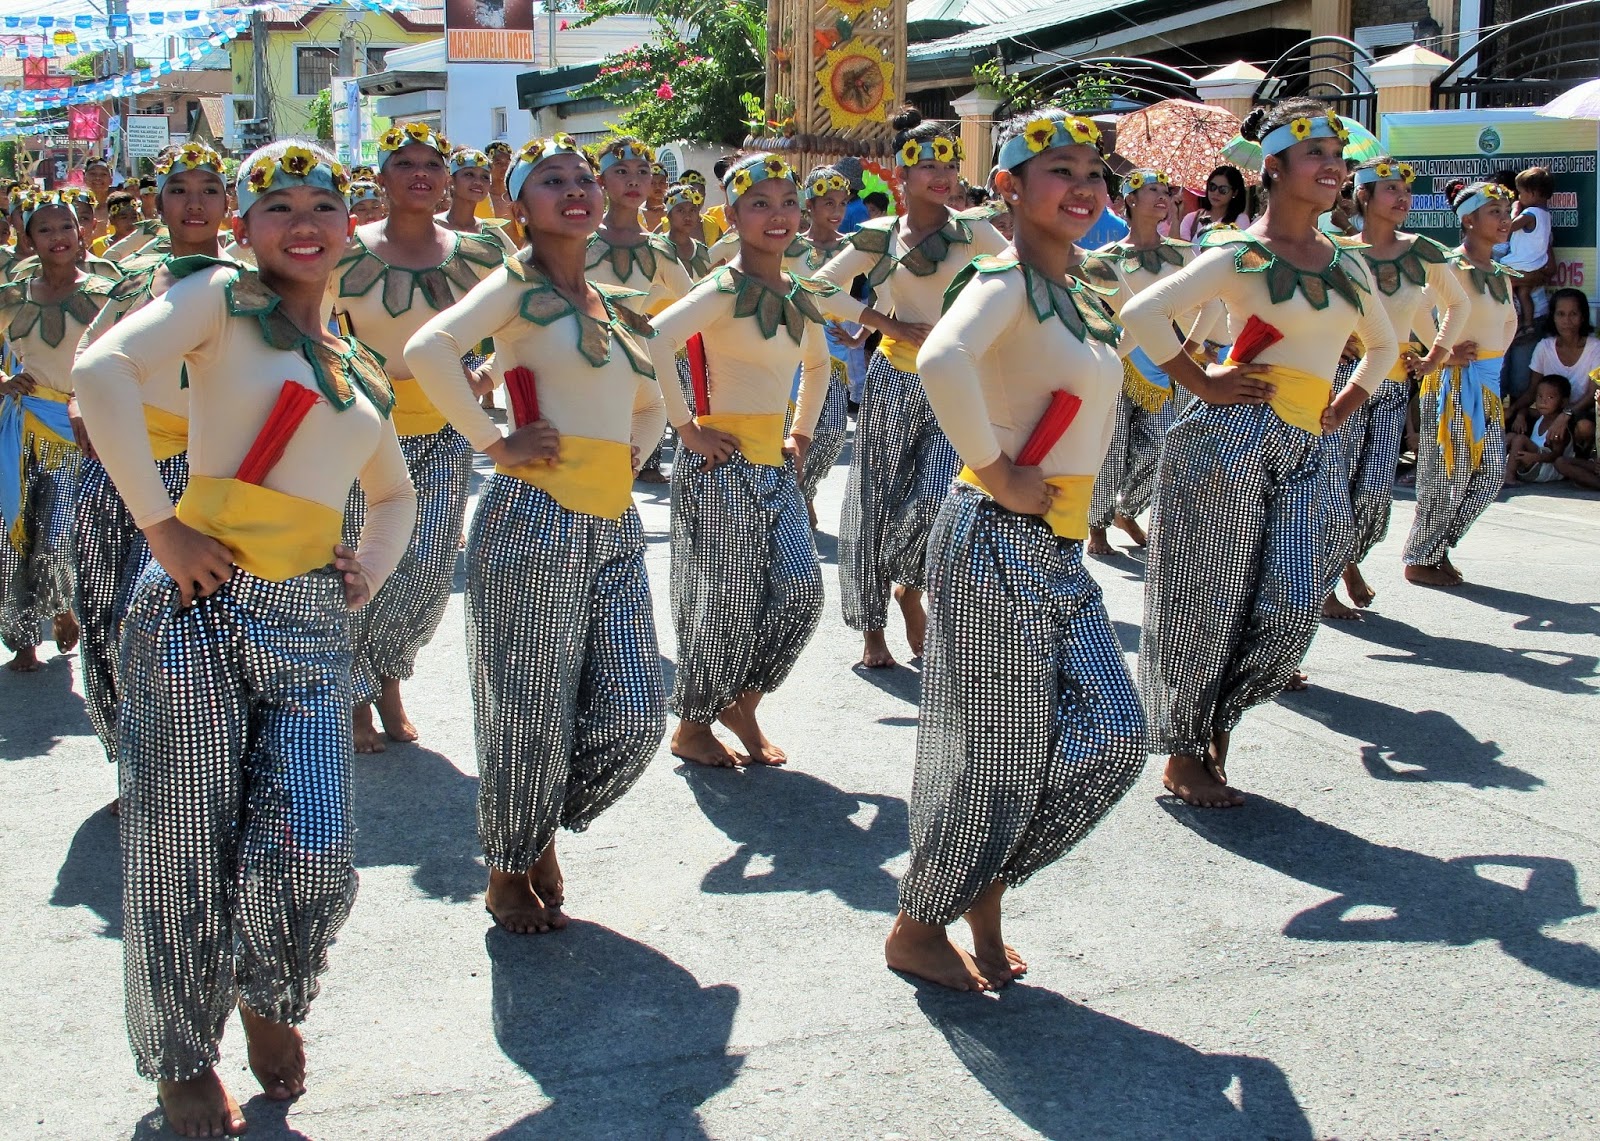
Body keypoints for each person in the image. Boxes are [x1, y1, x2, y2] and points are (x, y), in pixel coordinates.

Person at [74, 139, 414, 1140]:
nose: (303, 221)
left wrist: (368, 568)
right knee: (184, 843)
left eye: (323, 203)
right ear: (245, 227)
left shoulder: (356, 365)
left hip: (310, 619)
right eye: (279, 206)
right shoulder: (221, 302)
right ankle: (182, 1052)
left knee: (315, 851)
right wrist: (161, 525)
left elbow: (391, 494)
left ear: (349, 225)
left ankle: (269, 993)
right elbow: (102, 371)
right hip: (201, 604)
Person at [886, 108, 1146, 992]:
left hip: (1057, 543)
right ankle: (925, 922)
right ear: (1008, 189)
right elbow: (940, 360)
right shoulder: (1003, 280)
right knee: (997, 748)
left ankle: (978, 882)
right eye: (1059, 170)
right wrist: (995, 471)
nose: (1083, 186)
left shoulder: (1077, 290)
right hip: (997, 535)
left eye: (1092, 172)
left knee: (1112, 735)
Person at [404, 133, 667, 934]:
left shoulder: (609, 306)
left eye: (585, 178)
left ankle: (535, 818)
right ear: (518, 203)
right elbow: (428, 348)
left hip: (613, 521)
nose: (577, 190)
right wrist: (494, 443)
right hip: (534, 519)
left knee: (633, 710)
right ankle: (511, 860)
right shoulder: (514, 286)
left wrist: (631, 454)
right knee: (527, 702)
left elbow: (655, 400)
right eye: (552, 181)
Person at [1122, 99, 1398, 809]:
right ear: (1272, 167)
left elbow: (1385, 346)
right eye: (1315, 153)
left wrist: (1344, 405)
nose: (1333, 164)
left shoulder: (1346, 263)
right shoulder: (1238, 252)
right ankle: (1190, 749)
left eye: (1338, 153)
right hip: (1229, 438)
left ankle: (1215, 723)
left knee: (1293, 602)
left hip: (1309, 442)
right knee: (1206, 597)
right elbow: (1142, 314)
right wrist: (1199, 379)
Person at [646, 153, 840, 768]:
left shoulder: (799, 293)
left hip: (775, 468)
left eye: (788, 202)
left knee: (803, 594)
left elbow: (819, 364)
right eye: (760, 204)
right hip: (717, 470)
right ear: (731, 215)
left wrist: (803, 434)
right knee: (723, 603)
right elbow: (653, 341)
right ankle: (694, 723)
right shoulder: (722, 288)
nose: (777, 216)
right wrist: (686, 429)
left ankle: (742, 701)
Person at [335, 122, 508, 754]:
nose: (419, 173)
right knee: (362, 560)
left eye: (432, 164)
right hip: (363, 430)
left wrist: (487, 372)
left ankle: (387, 674)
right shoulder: (345, 249)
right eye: (403, 163)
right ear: (379, 178)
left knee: (428, 570)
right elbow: (304, 322)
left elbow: (519, 320)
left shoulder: (478, 253)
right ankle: (355, 692)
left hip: (443, 428)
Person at [815, 107, 1009, 668]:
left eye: (948, 161)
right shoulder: (880, 236)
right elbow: (814, 285)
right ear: (901, 174)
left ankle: (912, 586)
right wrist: (885, 324)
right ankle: (873, 629)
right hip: (895, 377)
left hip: (958, 380)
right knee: (873, 500)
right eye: (926, 163)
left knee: (941, 496)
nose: (941, 173)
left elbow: (1017, 274)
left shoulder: (972, 229)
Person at [69, 143, 229, 808]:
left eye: (208, 188)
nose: (194, 202)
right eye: (178, 189)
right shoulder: (134, 282)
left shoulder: (256, 282)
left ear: (228, 203)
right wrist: (84, 411)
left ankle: (204, 768)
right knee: (109, 616)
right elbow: (88, 360)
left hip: (216, 476)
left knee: (200, 626)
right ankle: (129, 759)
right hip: (126, 467)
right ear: (156, 203)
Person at [1322, 156, 1469, 617]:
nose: (1402, 197)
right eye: (1390, 189)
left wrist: (1435, 357)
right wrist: (1334, 340)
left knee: (1374, 495)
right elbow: (1315, 309)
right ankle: (1325, 585)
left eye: (1406, 189)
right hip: (1343, 380)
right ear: (1363, 195)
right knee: (1333, 485)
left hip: (1393, 383)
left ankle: (1345, 563)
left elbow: (1457, 305)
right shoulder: (1336, 251)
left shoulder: (1423, 250)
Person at [0, 192, 117, 672]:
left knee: (62, 533)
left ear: (81, 232)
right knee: (14, 534)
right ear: (27, 238)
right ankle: (22, 638)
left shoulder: (107, 291)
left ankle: (63, 606)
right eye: (45, 230)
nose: (58, 237)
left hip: (86, 430)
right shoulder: (10, 296)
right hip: (24, 427)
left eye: (66, 227)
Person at [1078, 167, 1219, 556]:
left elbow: (1211, 300)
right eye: (1151, 190)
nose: (1162, 197)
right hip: (1115, 361)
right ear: (1129, 201)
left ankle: (1126, 508)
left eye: (1165, 191)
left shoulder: (1183, 252)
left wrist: (1190, 346)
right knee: (1110, 447)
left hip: (1165, 362)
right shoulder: (1106, 257)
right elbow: (1091, 312)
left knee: (1161, 445)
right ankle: (1097, 525)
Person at [1401, 181, 1517, 588]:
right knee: (1446, 472)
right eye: (1494, 213)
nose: (1505, 220)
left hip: (1485, 381)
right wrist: (1442, 352)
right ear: (1468, 220)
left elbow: (1506, 326)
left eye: (1506, 212)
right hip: (1451, 381)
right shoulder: (1449, 265)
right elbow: (1416, 309)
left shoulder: (1499, 272)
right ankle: (1420, 557)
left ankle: (1436, 547)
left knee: (1488, 476)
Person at [1519, 287, 1597, 454]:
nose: (1566, 321)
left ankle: (1580, 462)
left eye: (1573, 314)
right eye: (1560, 314)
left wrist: (1565, 415)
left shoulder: (1595, 348)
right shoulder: (1544, 347)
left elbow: (1592, 395)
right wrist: (1513, 411)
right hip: (1549, 415)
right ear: (1552, 317)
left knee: (1585, 427)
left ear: (1583, 317)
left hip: (1579, 414)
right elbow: (1532, 391)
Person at [1500, 166, 1553, 332]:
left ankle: (1516, 322)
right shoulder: (1546, 215)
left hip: (1520, 263)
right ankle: (1528, 324)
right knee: (1523, 295)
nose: (1519, 197)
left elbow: (1511, 226)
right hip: (1534, 264)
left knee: (1498, 276)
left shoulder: (1530, 213)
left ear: (1533, 194)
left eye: (1521, 193)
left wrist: (1515, 210)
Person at [438, 146, 518, 254]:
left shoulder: (492, 231)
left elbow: (519, 263)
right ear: (451, 181)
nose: (478, 182)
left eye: (485, 177)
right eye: (469, 174)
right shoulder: (433, 226)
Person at [1504, 375, 1572, 484]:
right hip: (1532, 463)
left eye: (1550, 398)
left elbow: (1556, 456)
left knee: (1520, 439)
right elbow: (1525, 410)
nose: (1543, 402)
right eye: (1540, 396)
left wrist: (1534, 457)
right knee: (1511, 436)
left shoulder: (1559, 428)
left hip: (1547, 469)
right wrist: (1520, 417)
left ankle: (1509, 477)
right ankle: (1490, 468)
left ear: (1563, 402)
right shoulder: (1541, 416)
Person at [1179, 164, 1250, 242]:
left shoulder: (1240, 220)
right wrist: (1176, 217)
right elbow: (1177, 249)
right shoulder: (1192, 219)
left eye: (1223, 190)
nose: (1216, 193)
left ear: (1234, 193)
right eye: (1212, 186)